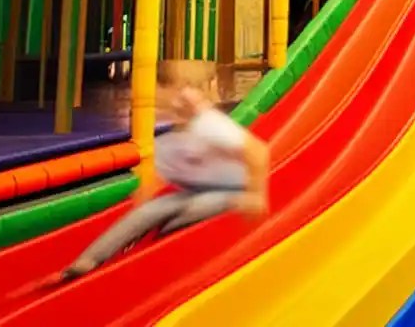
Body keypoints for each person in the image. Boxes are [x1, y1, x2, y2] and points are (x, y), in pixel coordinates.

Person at [60, 71, 269, 280]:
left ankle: (160, 249)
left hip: (233, 190)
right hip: (196, 191)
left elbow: (258, 151)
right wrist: (144, 199)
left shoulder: (210, 125)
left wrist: (256, 194)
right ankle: (88, 261)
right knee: (147, 212)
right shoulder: (169, 130)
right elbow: (161, 172)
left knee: (192, 208)